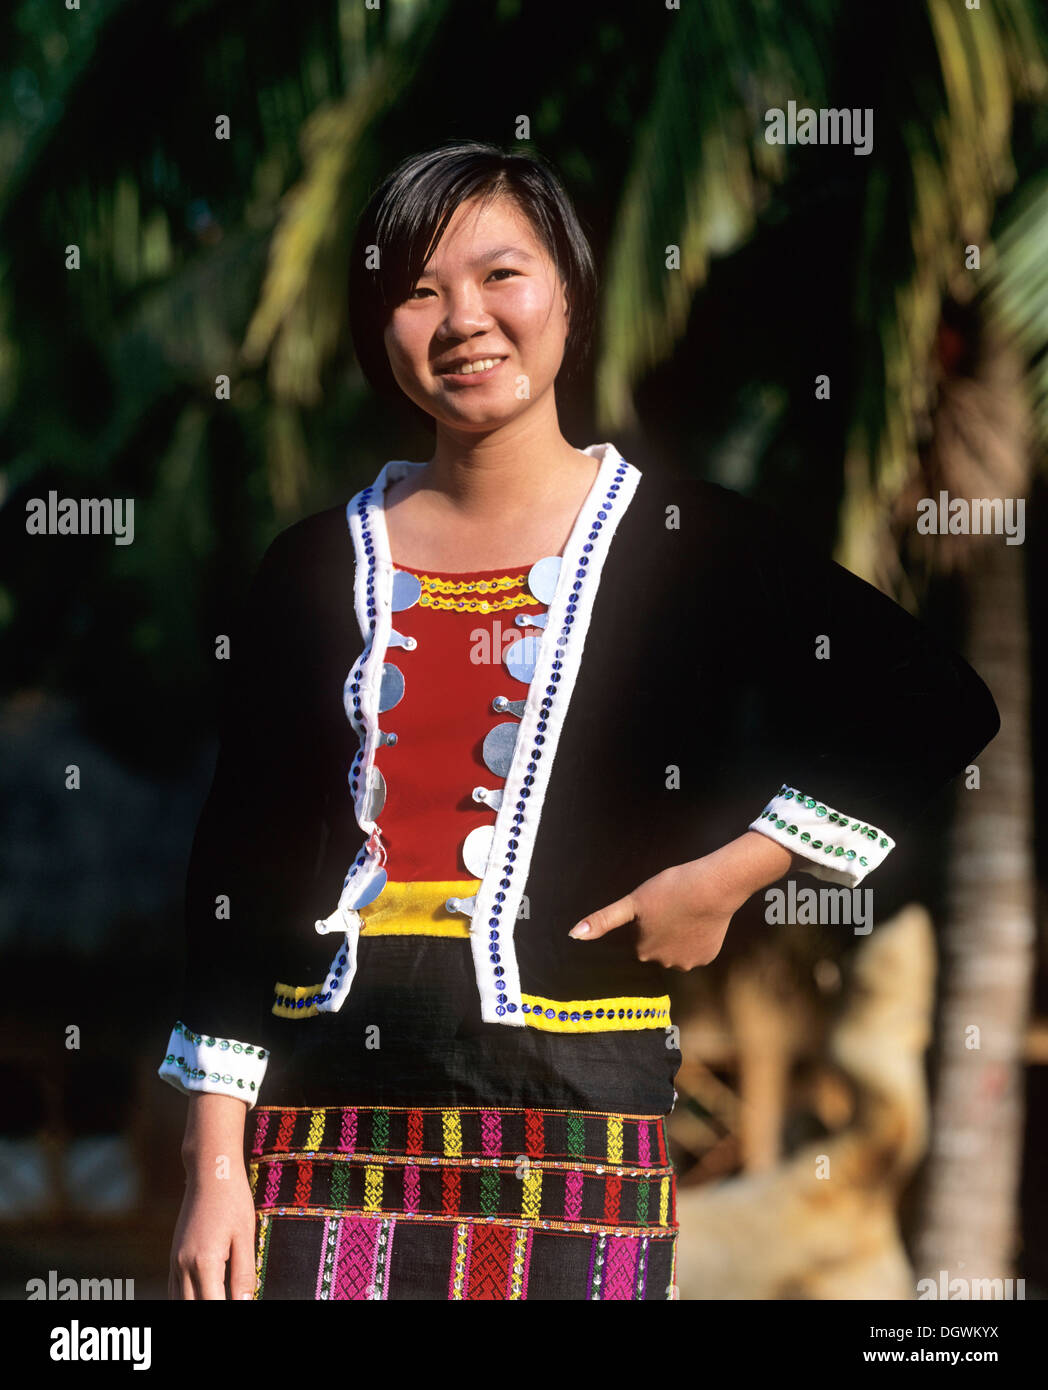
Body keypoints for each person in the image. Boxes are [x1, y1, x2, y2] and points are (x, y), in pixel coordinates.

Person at [160, 140, 1001, 1300]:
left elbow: (936, 705)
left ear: (568, 288)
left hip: (578, 1126)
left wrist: (730, 874)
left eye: (501, 274)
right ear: (378, 327)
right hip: (318, 1131)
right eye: (415, 290)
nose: (464, 319)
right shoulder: (307, 568)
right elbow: (236, 879)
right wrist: (215, 1169)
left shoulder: (687, 541)